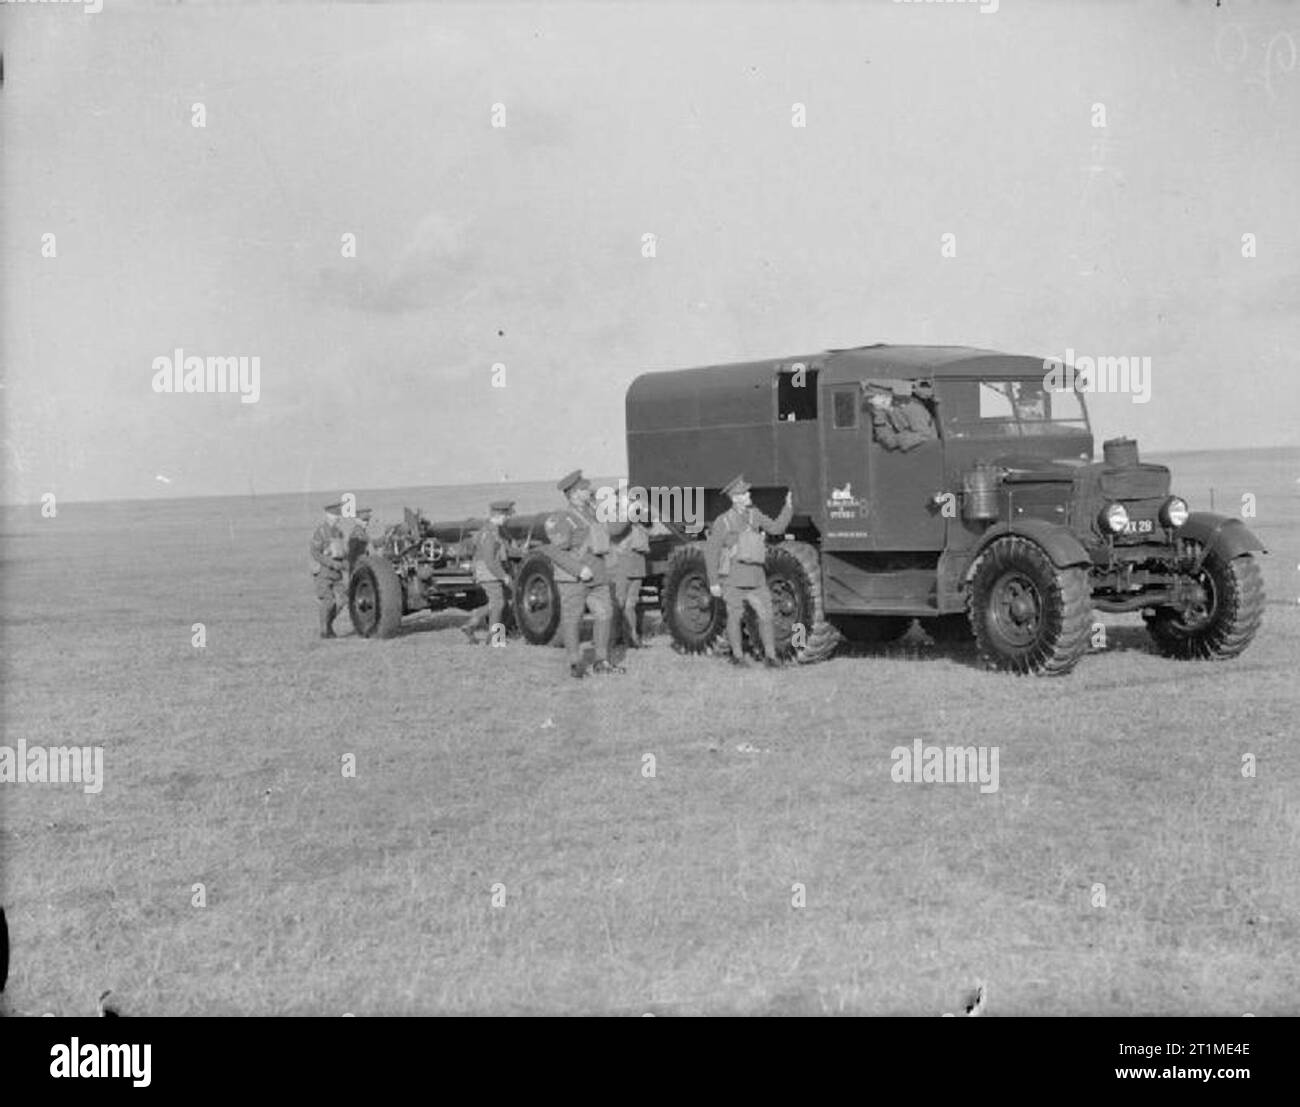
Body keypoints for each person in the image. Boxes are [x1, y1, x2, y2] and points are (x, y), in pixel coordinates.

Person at [541, 470, 623, 678]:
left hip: (598, 575)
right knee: (572, 619)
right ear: (575, 493)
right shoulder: (562, 518)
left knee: (605, 615)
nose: (590, 492)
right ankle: (575, 663)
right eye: (585, 490)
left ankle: (601, 661)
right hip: (574, 578)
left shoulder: (593, 512)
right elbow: (554, 551)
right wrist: (579, 570)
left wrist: (626, 512)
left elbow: (612, 530)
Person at [705, 475, 793, 668]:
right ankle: (737, 657)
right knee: (734, 617)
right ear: (735, 498)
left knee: (766, 616)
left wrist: (788, 507)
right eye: (744, 493)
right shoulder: (723, 521)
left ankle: (771, 658)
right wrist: (713, 582)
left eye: (747, 492)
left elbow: (776, 528)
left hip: (757, 578)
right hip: (733, 579)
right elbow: (711, 552)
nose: (748, 495)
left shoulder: (755, 514)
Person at [461, 499, 515, 644]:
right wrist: (503, 576)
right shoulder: (490, 533)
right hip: (489, 571)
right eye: (507, 515)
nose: (508, 518)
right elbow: (490, 560)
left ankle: (473, 622)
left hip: (486, 570)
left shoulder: (489, 530)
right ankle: (496, 639)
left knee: (495, 603)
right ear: (499, 515)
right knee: (498, 603)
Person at [608, 518, 651, 649]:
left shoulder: (636, 527)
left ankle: (626, 638)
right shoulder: (625, 525)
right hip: (629, 567)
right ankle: (620, 638)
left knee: (626, 605)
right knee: (622, 605)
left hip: (632, 567)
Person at [309, 502, 349, 638]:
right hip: (323, 573)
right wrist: (331, 563)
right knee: (328, 601)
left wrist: (345, 564)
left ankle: (328, 624)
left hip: (337, 573)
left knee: (343, 599)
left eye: (338, 516)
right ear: (327, 516)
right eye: (334, 515)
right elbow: (315, 553)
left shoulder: (339, 533)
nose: (337, 518)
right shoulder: (320, 532)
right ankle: (324, 631)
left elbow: (343, 552)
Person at [868, 380, 938, 451]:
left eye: (874, 396)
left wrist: (897, 440)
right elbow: (887, 440)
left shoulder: (911, 407)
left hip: (929, 451)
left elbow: (925, 434)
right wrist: (879, 421)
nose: (871, 401)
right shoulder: (885, 409)